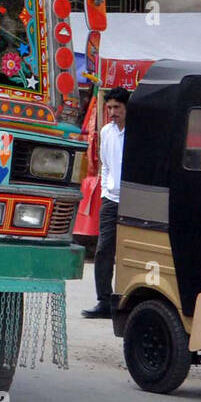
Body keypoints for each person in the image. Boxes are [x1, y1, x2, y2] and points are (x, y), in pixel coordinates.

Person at [84, 87, 129, 318]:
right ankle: (104, 300)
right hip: (111, 198)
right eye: (109, 107)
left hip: (133, 199)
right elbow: (105, 165)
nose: (112, 112)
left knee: (128, 250)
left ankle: (126, 300)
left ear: (126, 108)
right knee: (103, 250)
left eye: (117, 107)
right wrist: (104, 192)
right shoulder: (106, 131)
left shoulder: (137, 133)